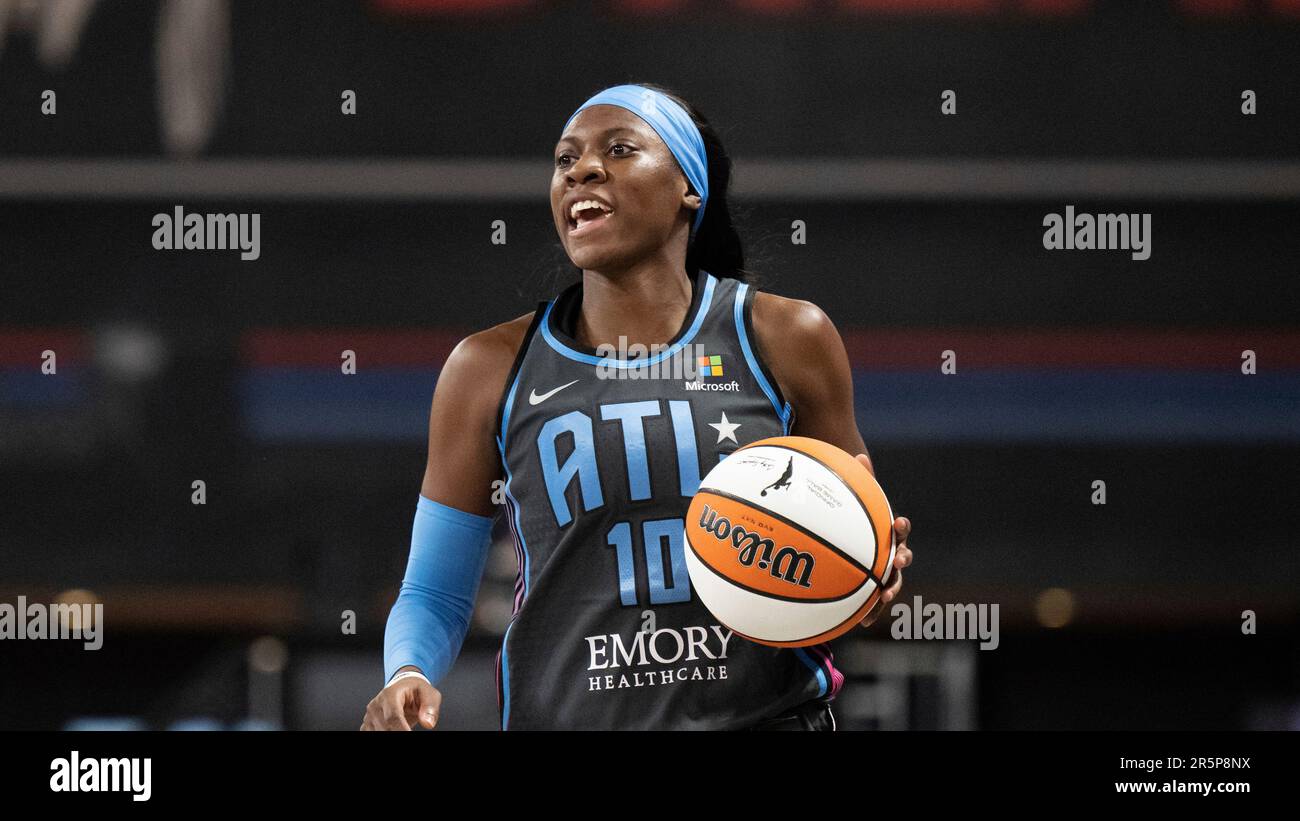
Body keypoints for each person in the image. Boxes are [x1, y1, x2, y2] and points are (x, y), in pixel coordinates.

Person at [361, 82, 913, 731]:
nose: (583, 170)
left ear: (690, 188)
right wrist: (408, 671)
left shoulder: (787, 338)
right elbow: (433, 591)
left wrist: (869, 583)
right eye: (566, 159)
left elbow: (856, 566)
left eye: (619, 149)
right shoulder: (486, 369)